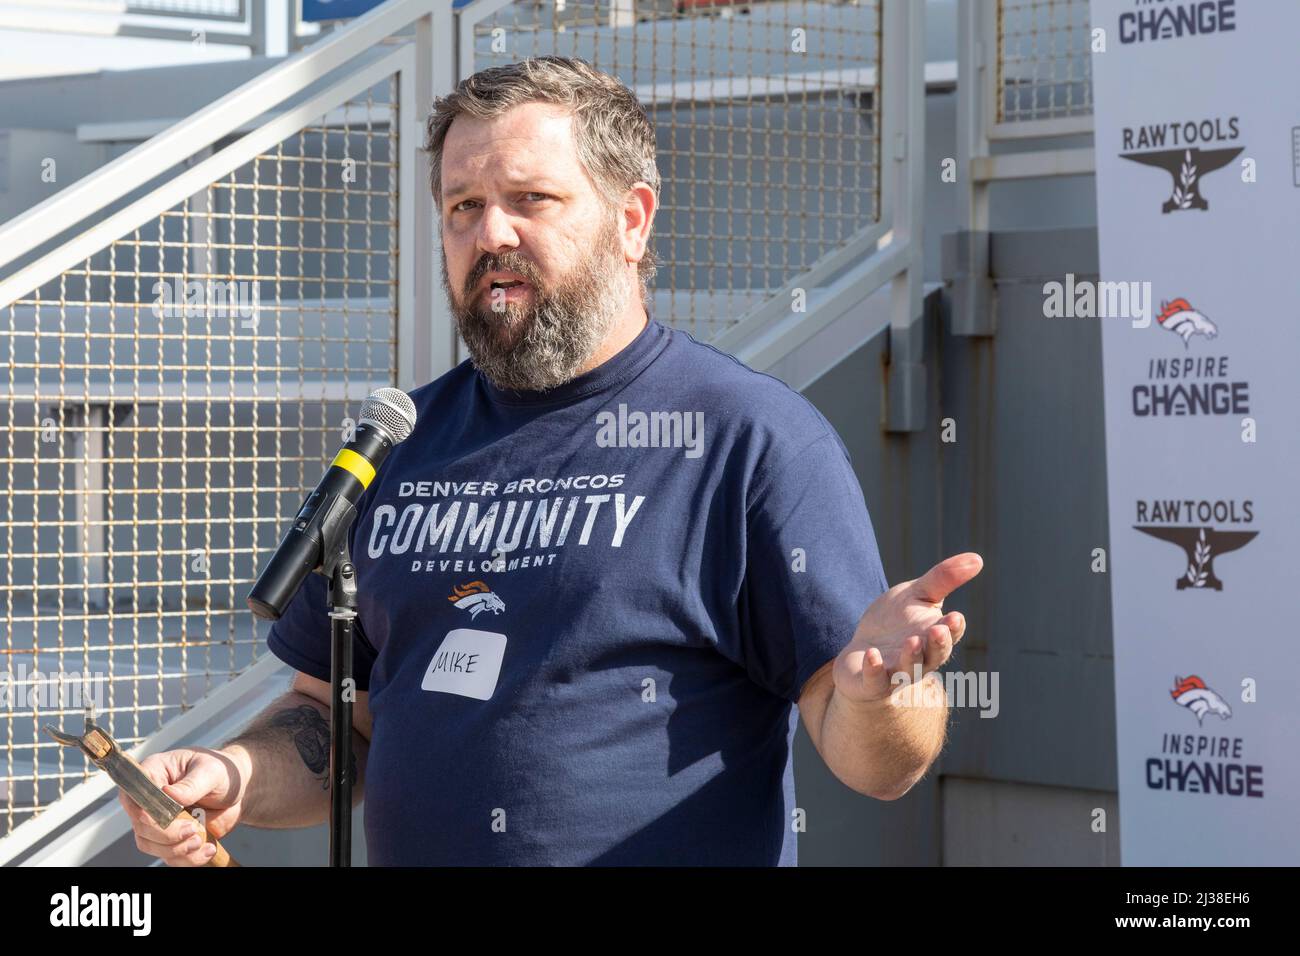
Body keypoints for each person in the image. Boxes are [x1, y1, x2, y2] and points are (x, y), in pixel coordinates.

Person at [119, 56, 982, 866]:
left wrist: (884, 698)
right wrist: (229, 775)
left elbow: (876, 761)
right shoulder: (399, 442)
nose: (492, 232)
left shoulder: (747, 440)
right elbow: (335, 722)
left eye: (531, 198)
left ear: (632, 221)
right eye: (463, 206)